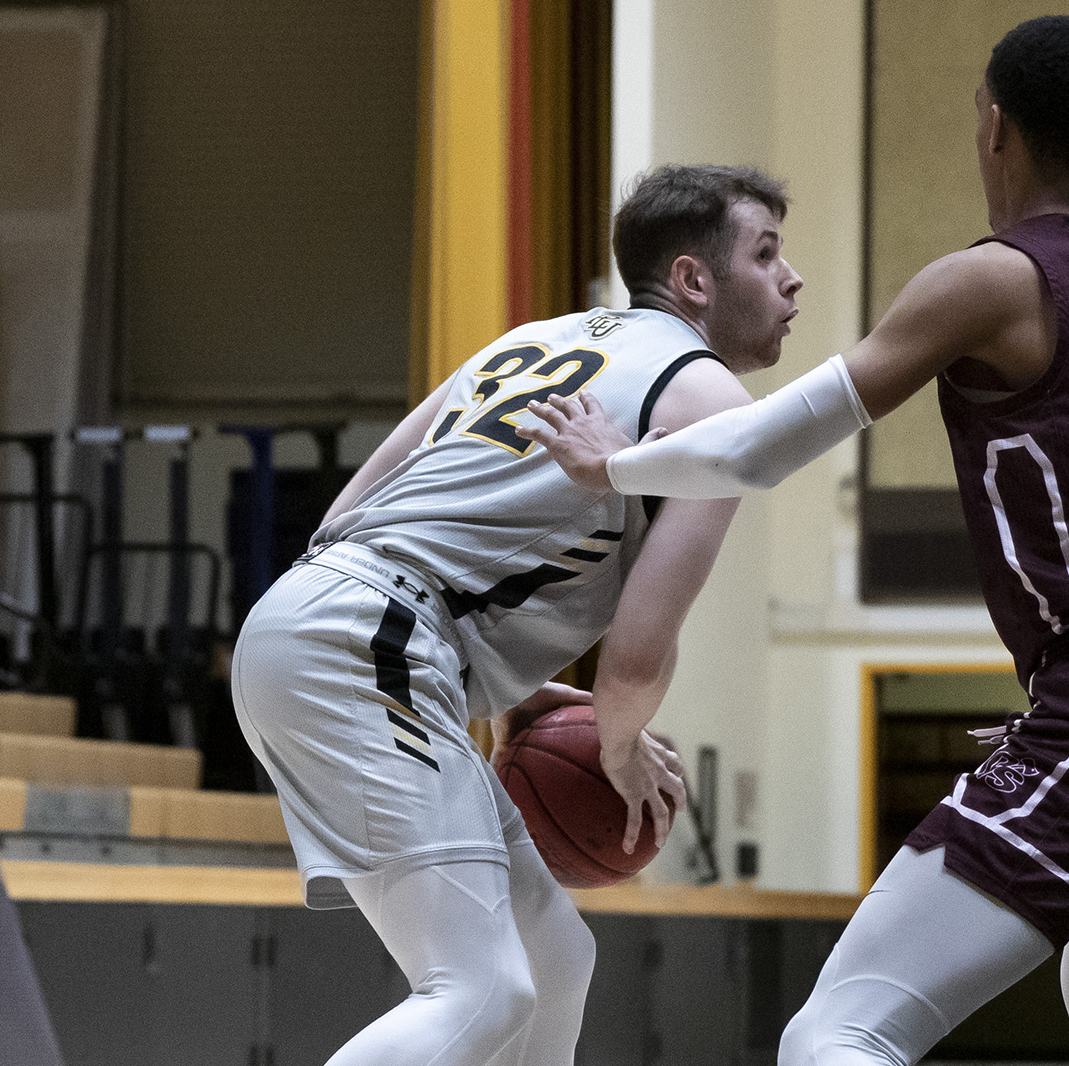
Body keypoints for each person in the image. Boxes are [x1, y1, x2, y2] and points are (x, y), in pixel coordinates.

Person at [518, 15, 1069, 1066]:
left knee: (837, 1034)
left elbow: (758, 449)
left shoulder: (992, 278)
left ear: (996, 128)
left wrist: (610, 464)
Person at [232, 163, 802, 1065]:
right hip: (371, 643)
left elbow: (346, 518)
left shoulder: (525, 342)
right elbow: (635, 663)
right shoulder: (708, 400)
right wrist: (617, 747)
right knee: (480, 990)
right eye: (767, 254)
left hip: (322, 620)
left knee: (554, 957)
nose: (791, 279)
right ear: (695, 279)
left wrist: (496, 690)